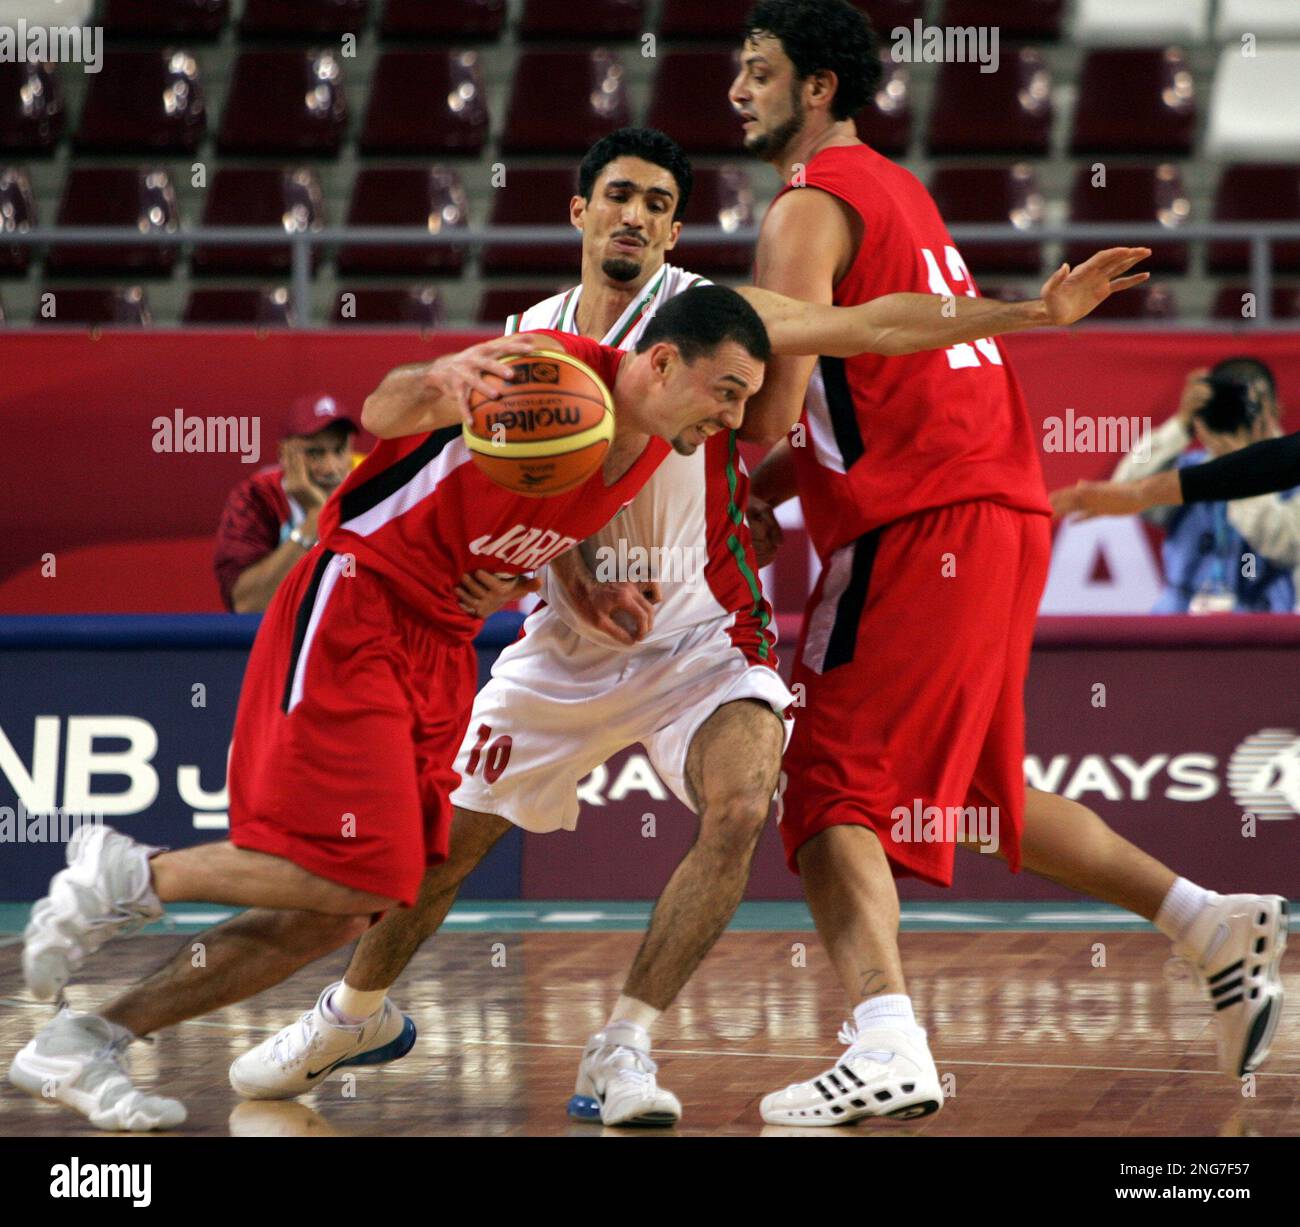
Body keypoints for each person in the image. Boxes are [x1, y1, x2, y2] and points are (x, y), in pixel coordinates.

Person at [227, 127, 1146, 1128]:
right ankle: (349, 1014)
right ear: (580, 211)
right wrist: (567, 575)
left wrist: (1029, 309)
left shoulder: (715, 317)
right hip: (563, 649)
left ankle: (621, 1047)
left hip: (700, 637)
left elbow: (876, 325)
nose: (637, 215)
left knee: (744, 806)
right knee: (443, 849)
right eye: (620, 194)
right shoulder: (528, 332)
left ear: (674, 228)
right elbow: (525, 486)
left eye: (661, 203)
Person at [10, 292, 776, 1131]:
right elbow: (385, 406)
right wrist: (441, 378)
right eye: (727, 390)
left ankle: (88, 1037)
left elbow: (551, 507)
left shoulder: (648, 441)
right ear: (663, 362)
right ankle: (133, 873)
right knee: (355, 875)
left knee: (368, 897)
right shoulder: (552, 371)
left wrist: (584, 581)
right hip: (362, 603)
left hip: (440, 645)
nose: (735, 415)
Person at [730, 0, 1287, 1127]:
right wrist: (778, 483)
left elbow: (774, 405)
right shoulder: (899, 190)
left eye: (758, 71)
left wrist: (698, 426)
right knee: (976, 801)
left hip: (920, 522)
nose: (735, 91)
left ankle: (885, 1039)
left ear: (818, 88)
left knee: (828, 784)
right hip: (996, 509)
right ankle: (1205, 919)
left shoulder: (806, 204)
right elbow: (867, 390)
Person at [1110, 358, 1298, 612]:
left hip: (1262, 625)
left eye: (1252, 405)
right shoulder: (1190, 471)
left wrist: (1244, 469)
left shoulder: (1294, 478)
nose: (1242, 414)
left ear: (1276, 408)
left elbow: (1288, 545)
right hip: (1181, 623)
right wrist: (1181, 425)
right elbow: (1123, 496)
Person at [214, 393, 359, 613]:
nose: (331, 468)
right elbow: (247, 605)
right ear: (284, 454)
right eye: (315, 453)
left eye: (339, 451)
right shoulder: (257, 497)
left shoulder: (372, 492)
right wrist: (314, 519)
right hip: (279, 640)